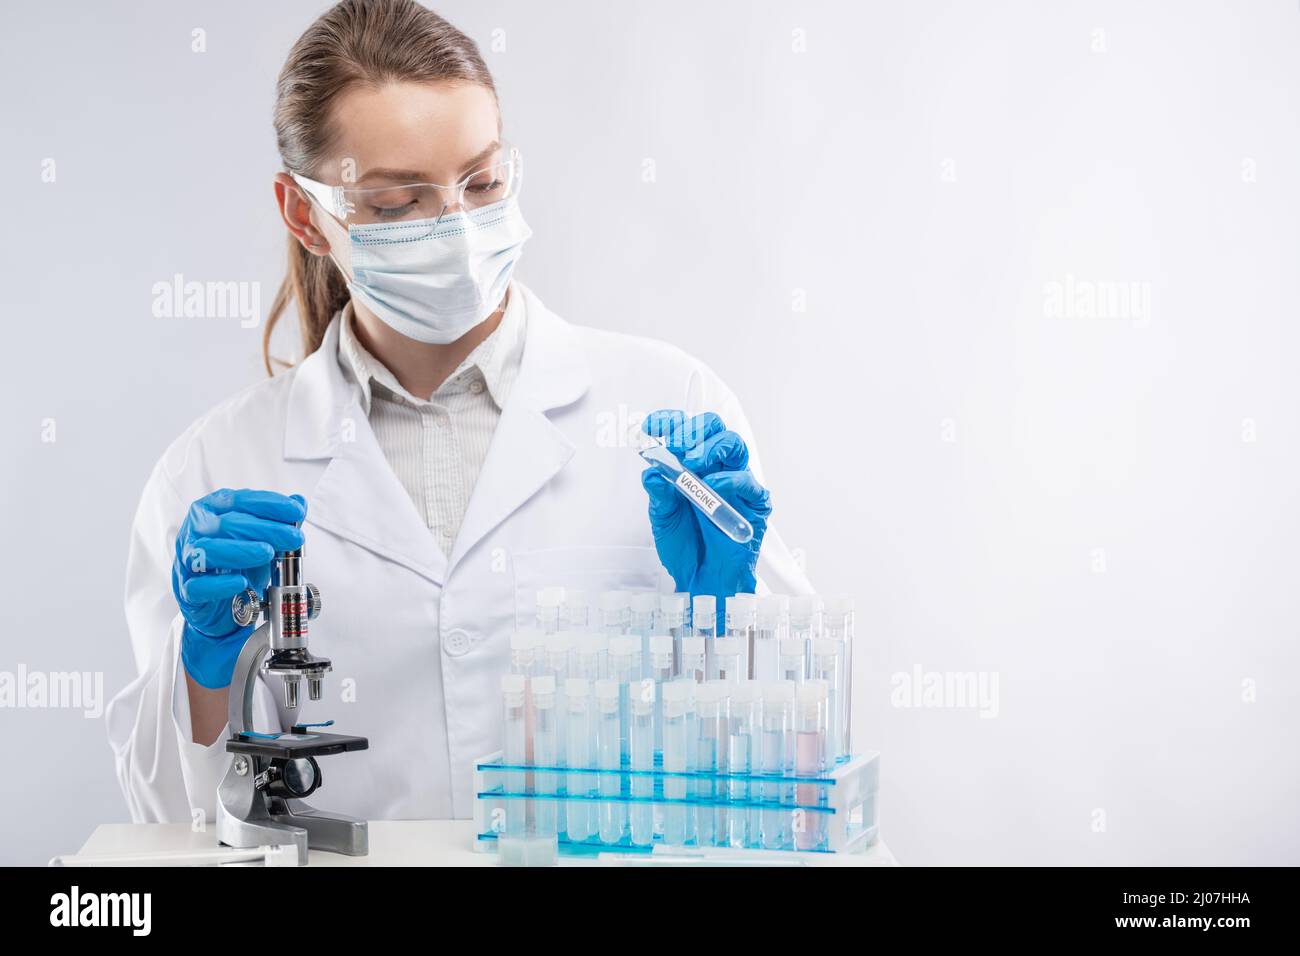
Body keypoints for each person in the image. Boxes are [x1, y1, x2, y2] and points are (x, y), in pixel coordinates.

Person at [106, 0, 810, 823]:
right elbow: (161, 816)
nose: (458, 229)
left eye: (481, 182)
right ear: (306, 214)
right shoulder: (216, 466)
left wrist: (729, 615)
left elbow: (797, 772)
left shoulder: (667, 407)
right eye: (397, 203)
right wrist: (204, 666)